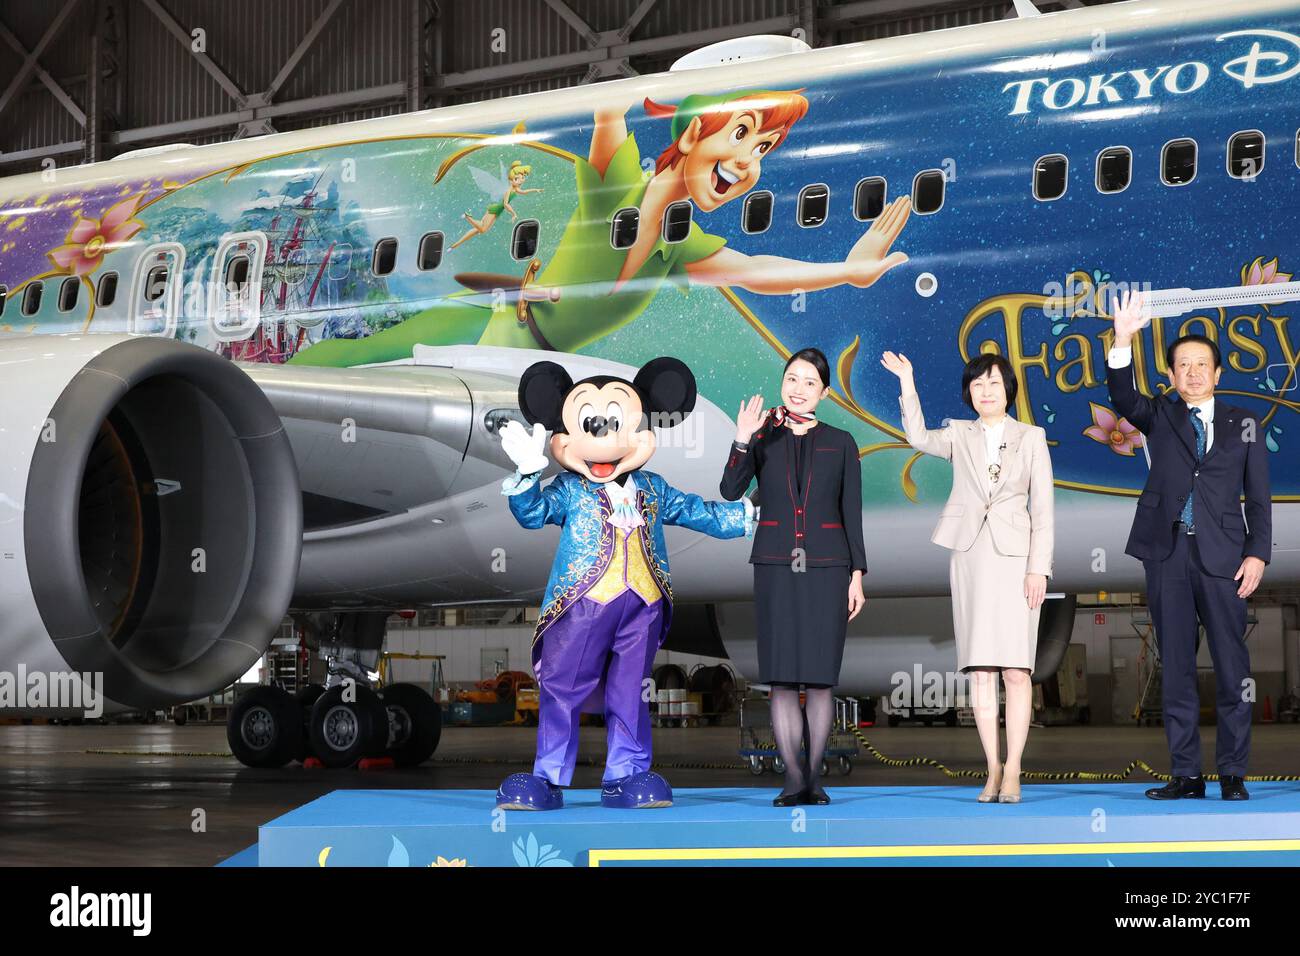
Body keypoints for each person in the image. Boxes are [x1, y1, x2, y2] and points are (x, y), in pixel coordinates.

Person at [494, 357, 754, 811]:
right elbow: (531, 515)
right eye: (587, 425)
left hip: (643, 605)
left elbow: (698, 512)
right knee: (562, 687)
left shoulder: (652, 487)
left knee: (628, 689)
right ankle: (548, 776)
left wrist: (750, 515)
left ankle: (625, 775)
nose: (600, 440)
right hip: (580, 605)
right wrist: (528, 477)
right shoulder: (568, 490)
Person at [1106, 289, 1270, 802]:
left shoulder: (1245, 422)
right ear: (1172, 375)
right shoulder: (1160, 414)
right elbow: (1122, 398)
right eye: (1183, 365)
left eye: (1202, 364)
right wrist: (1123, 341)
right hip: (1168, 553)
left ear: (1218, 373)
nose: (1193, 373)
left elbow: (1260, 499)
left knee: (1232, 667)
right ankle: (1186, 775)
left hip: (1225, 558)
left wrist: (1258, 553)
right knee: (1174, 666)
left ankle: (1232, 772)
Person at [882, 350, 1054, 803]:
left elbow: (1044, 510)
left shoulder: (1032, 437)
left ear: (1008, 389)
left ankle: (1015, 768)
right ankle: (992, 769)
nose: (986, 391)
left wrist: (1040, 567)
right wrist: (907, 380)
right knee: (981, 670)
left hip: (1019, 560)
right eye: (977, 385)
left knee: (1017, 670)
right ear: (969, 393)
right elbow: (916, 436)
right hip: (971, 555)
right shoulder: (959, 433)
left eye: (994, 383)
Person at [720, 348, 867, 806]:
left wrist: (857, 574)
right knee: (782, 679)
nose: (798, 388)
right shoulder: (764, 439)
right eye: (792, 379)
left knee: (820, 680)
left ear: (824, 391)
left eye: (809, 382)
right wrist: (742, 439)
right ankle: (793, 778)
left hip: (828, 567)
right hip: (775, 565)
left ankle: (816, 779)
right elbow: (729, 491)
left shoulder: (842, 442)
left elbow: (852, 515)